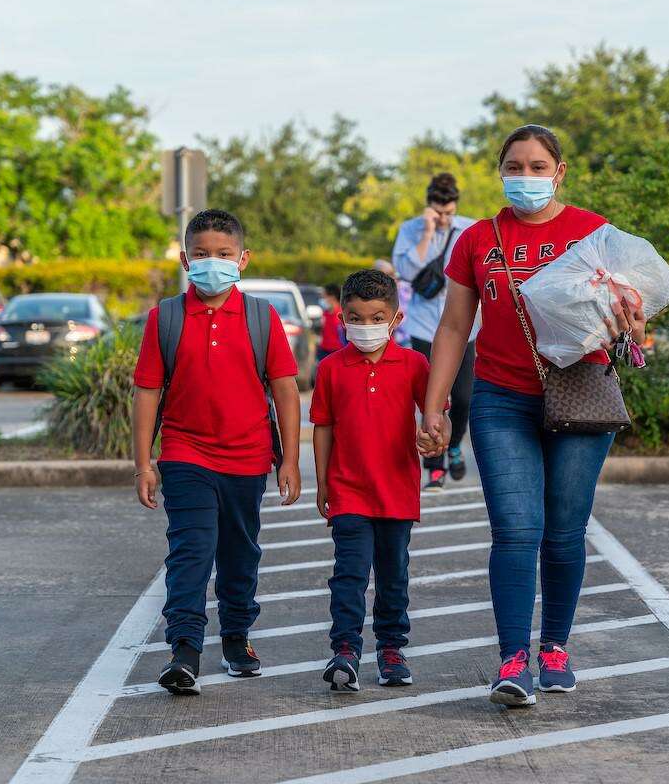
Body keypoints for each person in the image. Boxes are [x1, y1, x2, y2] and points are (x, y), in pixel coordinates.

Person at [421, 125, 647, 707]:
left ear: (559, 171)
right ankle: (513, 659)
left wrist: (634, 320)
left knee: (565, 532)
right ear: (499, 172)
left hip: (580, 393)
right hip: (501, 400)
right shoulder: (477, 239)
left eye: (538, 166)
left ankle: (555, 648)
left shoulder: (592, 232)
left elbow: (631, 315)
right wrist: (435, 405)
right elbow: (452, 328)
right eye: (515, 166)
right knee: (516, 531)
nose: (526, 176)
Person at [132, 208, 303, 695]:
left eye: (223, 255)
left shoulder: (260, 318)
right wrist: (143, 463)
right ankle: (184, 649)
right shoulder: (164, 318)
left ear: (243, 259)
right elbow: (147, 392)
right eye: (202, 255)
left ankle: (236, 637)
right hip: (186, 455)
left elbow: (285, 390)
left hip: (248, 458)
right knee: (191, 552)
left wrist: (288, 458)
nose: (213, 263)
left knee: (239, 552)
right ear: (185, 260)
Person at [310, 269, 445, 692]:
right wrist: (322, 483)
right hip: (348, 491)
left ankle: (391, 649)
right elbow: (323, 427)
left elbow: (436, 416)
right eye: (355, 317)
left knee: (393, 575)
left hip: (397, 493)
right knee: (348, 575)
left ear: (395, 320)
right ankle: (345, 650)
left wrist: (436, 436)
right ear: (341, 317)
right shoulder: (330, 368)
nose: (364, 327)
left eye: (375, 318)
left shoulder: (413, 365)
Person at [392, 173, 477, 490]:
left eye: (449, 213)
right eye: (438, 212)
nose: (444, 218)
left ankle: (454, 445)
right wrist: (427, 233)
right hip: (425, 326)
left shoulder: (469, 228)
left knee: (464, 397)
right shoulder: (411, 230)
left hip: (465, 325)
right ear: (428, 207)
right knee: (431, 399)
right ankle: (435, 465)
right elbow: (406, 271)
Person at [316, 282, 345, 362]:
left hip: (337, 352)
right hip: (323, 351)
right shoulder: (325, 313)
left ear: (332, 297)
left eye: (324, 296)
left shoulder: (341, 314)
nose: (322, 299)